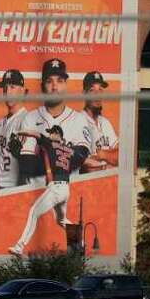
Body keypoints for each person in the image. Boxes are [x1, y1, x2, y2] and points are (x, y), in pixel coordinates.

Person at [9, 58, 95, 256]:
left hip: (55, 187)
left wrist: (46, 150)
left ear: (66, 84)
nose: (55, 85)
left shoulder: (79, 119)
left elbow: (80, 157)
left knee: (34, 213)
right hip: (43, 187)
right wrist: (64, 150)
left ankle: (19, 246)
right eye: (50, 81)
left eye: (60, 80)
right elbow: (28, 166)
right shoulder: (31, 118)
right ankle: (80, 243)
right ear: (42, 86)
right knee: (62, 220)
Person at [0, 68, 29, 191]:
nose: (8, 92)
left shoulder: (26, 121)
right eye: (5, 88)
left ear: (22, 91)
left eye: (12, 87)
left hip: (14, 189)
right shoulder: (0, 124)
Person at [81, 71, 118, 170]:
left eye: (100, 90)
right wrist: (110, 157)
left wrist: (102, 154)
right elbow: (87, 167)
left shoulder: (106, 123)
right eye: (92, 90)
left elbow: (120, 156)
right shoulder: (78, 121)